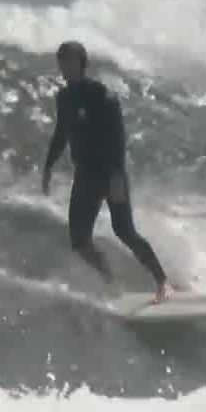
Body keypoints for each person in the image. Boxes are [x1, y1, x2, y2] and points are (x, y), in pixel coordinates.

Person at [41, 41, 174, 303]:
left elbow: (117, 137)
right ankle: (113, 282)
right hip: (85, 175)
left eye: (70, 61)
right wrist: (48, 167)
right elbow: (61, 134)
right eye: (62, 62)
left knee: (124, 231)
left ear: (82, 63)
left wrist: (115, 176)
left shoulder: (100, 95)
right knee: (79, 240)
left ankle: (162, 281)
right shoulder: (64, 98)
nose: (65, 67)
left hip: (110, 173)